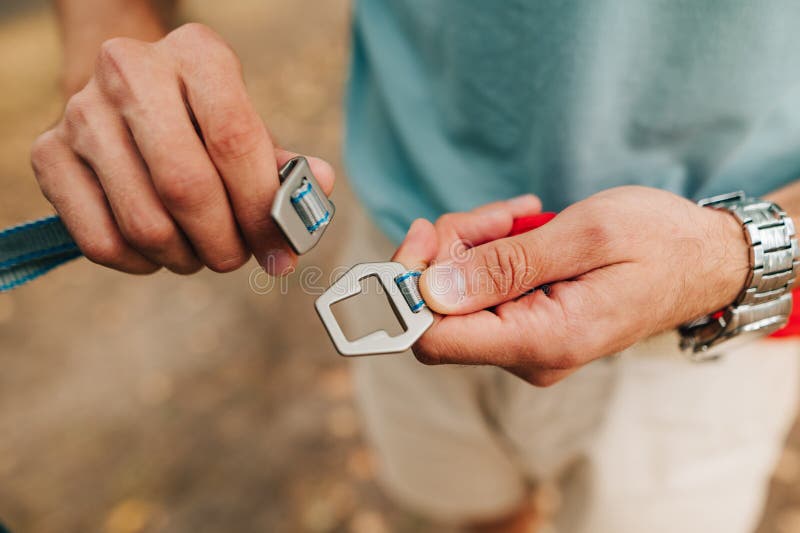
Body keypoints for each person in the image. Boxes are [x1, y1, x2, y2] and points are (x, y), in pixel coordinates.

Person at [33, 1, 800, 532]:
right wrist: (116, 53)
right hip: (401, 230)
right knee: (471, 503)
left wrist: (728, 252)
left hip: (712, 304)